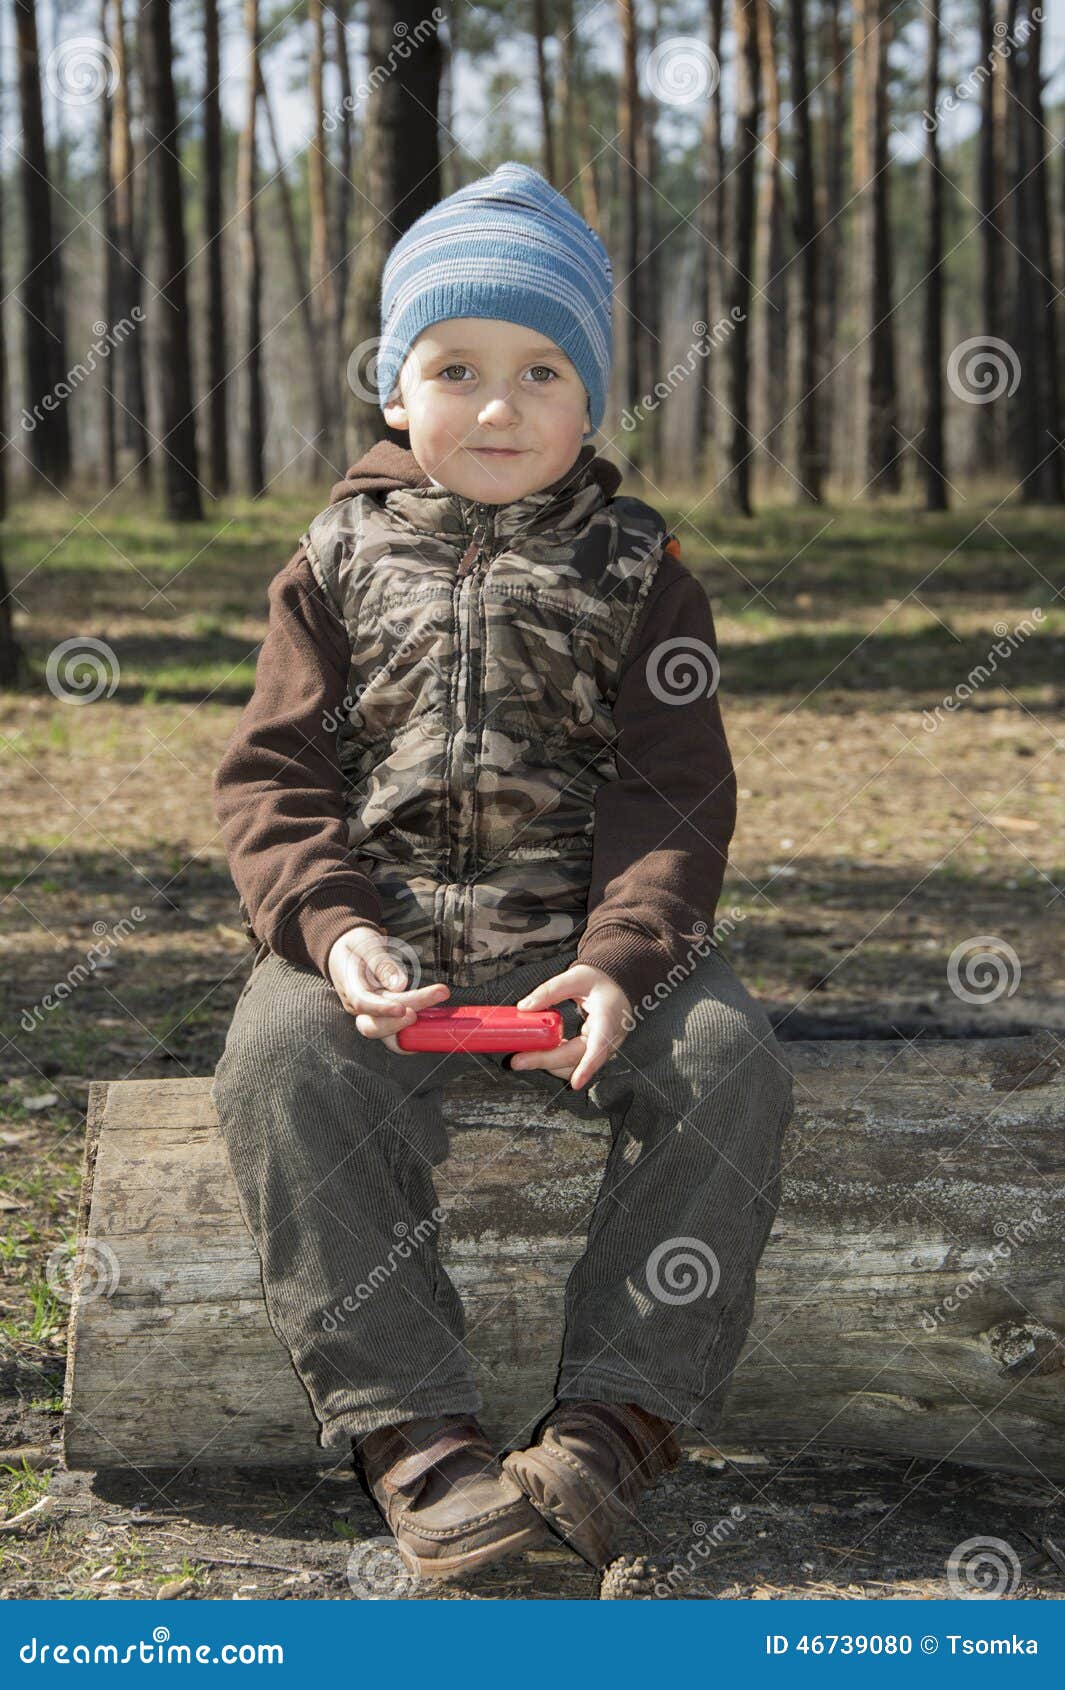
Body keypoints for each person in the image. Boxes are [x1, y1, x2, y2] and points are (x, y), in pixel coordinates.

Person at [210, 161, 794, 1584]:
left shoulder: (643, 567)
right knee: (277, 1058)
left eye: (543, 370)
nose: (496, 404)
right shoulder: (332, 559)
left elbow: (675, 794)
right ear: (394, 391)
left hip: (584, 940)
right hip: (387, 951)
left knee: (734, 1060)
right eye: (455, 366)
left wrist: (624, 958)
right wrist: (332, 928)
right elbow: (273, 779)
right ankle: (418, 1437)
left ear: (592, 399)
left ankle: (614, 1427)